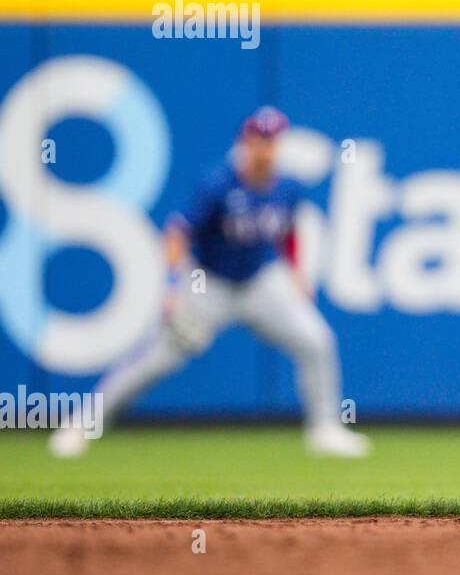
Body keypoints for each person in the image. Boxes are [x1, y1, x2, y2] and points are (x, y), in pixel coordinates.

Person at [50, 108, 370, 459]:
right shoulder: (218, 184)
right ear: (245, 141)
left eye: (273, 140)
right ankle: (83, 425)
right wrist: (173, 288)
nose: (266, 147)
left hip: (259, 283)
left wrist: (296, 273)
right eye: (259, 139)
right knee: (156, 360)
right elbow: (177, 235)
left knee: (316, 340)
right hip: (209, 285)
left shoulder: (288, 186)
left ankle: (325, 428)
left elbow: (288, 232)